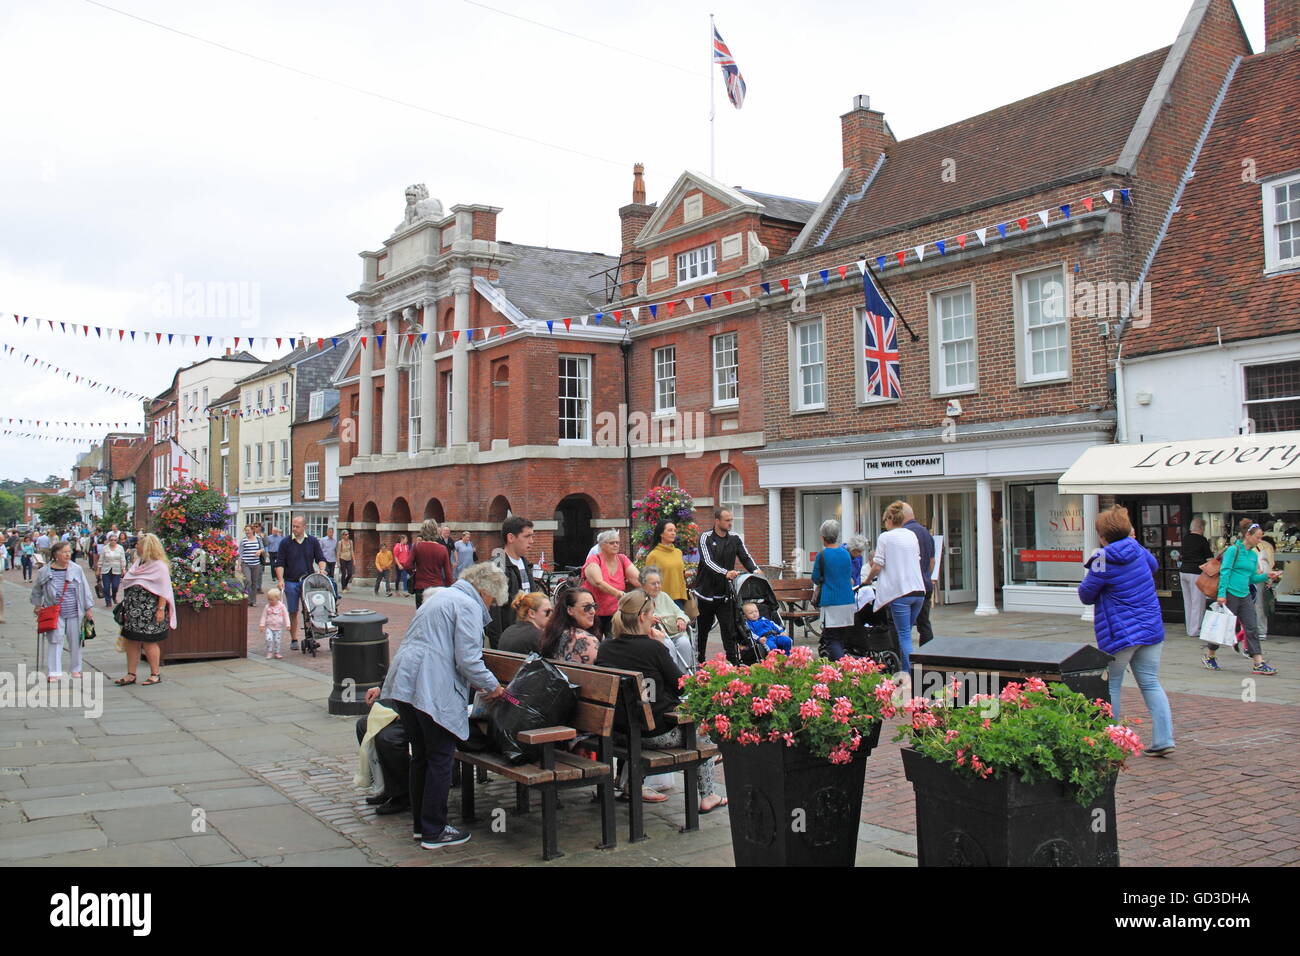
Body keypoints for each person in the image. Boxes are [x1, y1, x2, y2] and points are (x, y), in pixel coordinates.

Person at [379, 561, 506, 849]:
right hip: (430, 684)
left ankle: (422, 826)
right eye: (493, 599)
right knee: (439, 756)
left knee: (421, 755)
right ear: (486, 590)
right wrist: (493, 686)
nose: (492, 606)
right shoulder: (468, 605)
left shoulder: (443, 597)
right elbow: (468, 659)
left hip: (406, 681)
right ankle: (435, 829)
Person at [596, 589, 726, 813]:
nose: (654, 618)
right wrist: (665, 643)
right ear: (641, 618)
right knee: (700, 726)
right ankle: (709, 794)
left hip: (617, 730)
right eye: (652, 614)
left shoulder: (606, 647)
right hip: (653, 735)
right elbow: (682, 684)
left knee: (635, 713)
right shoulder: (653, 648)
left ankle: (627, 784)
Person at [1078, 505, 1176, 755]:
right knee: (1152, 683)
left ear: (1102, 535)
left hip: (1120, 633)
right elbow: (1153, 565)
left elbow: (1086, 595)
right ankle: (1164, 739)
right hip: (1151, 628)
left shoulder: (1101, 558)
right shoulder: (1138, 550)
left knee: (1111, 685)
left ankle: (1112, 739)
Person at [862, 501, 927, 679]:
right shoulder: (911, 535)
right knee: (906, 633)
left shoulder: (886, 537)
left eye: (885, 520)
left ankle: (908, 673)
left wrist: (867, 580)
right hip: (918, 592)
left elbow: (877, 565)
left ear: (889, 519)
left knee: (904, 635)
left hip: (901, 593)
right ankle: (910, 670)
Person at [1213, 522, 1281, 675]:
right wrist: (1221, 594)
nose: (1260, 540)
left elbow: (1251, 578)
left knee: (1252, 627)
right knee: (1223, 628)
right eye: (1257, 537)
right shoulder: (1233, 550)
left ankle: (1258, 662)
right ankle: (1210, 655)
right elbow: (1225, 572)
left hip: (1245, 595)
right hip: (1230, 594)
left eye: (1261, 537)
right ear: (1247, 535)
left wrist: (1266, 575)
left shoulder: (1252, 555)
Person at [692, 507, 758, 664]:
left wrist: (756, 570)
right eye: (727, 520)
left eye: (731, 520)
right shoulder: (705, 537)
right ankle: (700, 661)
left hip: (725, 593)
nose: (730, 523)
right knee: (703, 630)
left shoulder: (734, 538)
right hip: (706, 593)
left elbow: (745, 556)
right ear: (717, 521)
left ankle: (734, 661)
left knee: (729, 629)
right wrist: (725, 572)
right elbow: (707, 562)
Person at [113, 533, 176, 686]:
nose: (136, 546)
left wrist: (161, 609)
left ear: (147, 547)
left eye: (139, 544)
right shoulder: (139, 562)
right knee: (131, 641)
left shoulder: (159, 565)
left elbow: (164, 589)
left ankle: (155, 674)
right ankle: (131, 674)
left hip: (150, 610)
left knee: (149, 642)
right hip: (133, 610)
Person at [29, 540, 93, 680]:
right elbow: (37, 590)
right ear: (55, 554)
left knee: (75, 641)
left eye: (69, 551)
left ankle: (76, 669)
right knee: (55, 640)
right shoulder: (44, 571)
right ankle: (54, 672)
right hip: (54, 611)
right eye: (64, 552)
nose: (68, 554)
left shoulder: (76, 569)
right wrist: (37, 605)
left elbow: (85, 589)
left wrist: (88, 608)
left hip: (75, 610)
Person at [485, 516, 540, 648]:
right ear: (511, 538)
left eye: (532, 536)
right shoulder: (497, 567)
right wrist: (500, 647)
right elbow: (494, 615)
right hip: (508, 640)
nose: (531, 541)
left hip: (528, 636)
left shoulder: (525, 564)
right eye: (527, 536)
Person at [274, 515, 327, 650]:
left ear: (305, 527)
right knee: (293, 611)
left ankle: (311, 637)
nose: (294, 529)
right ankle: (294, 639)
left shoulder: (313, 541)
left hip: (308, 581)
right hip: (291, 581)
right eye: (293, 526)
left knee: (310, 610)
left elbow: (320, 558)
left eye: (297, 526)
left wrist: (321, 569)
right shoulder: (285, 542)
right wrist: (280, 580)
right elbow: (279, 563)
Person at [357, 686, 410, 815]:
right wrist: (381, 688)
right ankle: (387, 786)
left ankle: (403, 794)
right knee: (363, 725)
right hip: (403, 703)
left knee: (387, 738)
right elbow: (397, 672)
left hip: (419, 708)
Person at [583, 530, 640, 639]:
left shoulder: (622, 559)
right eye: (611, 543)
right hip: (593, 612)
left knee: (614, 641)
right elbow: (598, 582)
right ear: (601, 545)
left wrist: (650, 587)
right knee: (594, 641)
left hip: (614, 611)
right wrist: (618, 593)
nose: (615, 545)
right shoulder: (594, 559)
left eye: (617, 542)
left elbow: (637, 579)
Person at [812, 519, 855, 661]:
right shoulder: (845, 553)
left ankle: (842, 669)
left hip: (831, 601)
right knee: (841, 638)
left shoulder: (822, 555)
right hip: (848, 600)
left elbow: (815, 577)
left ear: (823, 537)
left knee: (831, 639)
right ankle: (839, 667)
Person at [640, 566, 694, 673]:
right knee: (668, 645)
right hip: (655, 635)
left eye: (659, 583)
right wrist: (649, 619)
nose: (657, 586)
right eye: (653, 584)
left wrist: (681, 619)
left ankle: (684, 677)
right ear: (644, 585)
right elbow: (636, 619)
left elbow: (679, 612)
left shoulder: (663, 596)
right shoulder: (639, 598)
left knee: (684, 643)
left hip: (674, 632)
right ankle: (672, 677)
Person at [901, 503, 937, 646]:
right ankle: (929, 655)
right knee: (924, 623)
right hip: (925, 585)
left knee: (903, 628)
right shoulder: (926, 533)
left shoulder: (904, 533)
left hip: (908, 587)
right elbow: (932, 561)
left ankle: (905, 658)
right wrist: (926, 575)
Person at [1178, 516, 1214, 657]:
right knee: (1198, 602)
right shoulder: (1202, 540)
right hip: (1196, 573)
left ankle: (1189, 628)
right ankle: (1195, 629)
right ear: (1201, 528)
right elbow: (1209, 559)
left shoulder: (1185, 539)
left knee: (1188, 601)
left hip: (1183, 572)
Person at [539, 587, 602, 664]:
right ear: (570, 610)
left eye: (594, 606)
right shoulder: (587, 640)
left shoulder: (554, 634)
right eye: (586, 607)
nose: (593, 611)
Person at [406, 520, 454, 608]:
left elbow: (408, 565)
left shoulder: (417, 546)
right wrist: (449, 588)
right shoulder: (442, 549)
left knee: (421, 615)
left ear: (423, 531)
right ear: (436, 531)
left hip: (421, 586)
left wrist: (414, 573)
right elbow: (448, 573)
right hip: (437, 587)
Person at [643, 520, 688, 607]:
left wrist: (686, 574)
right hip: (662, 601)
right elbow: (647, 580)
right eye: (670, 530)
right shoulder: (653, 555)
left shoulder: (678, 552)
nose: (673, 533)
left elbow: (678, 573)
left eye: (675, 531)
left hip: (680, 599)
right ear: (661, 534)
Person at [238, 525, 266, 606]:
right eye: (246, 530)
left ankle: (253, 601)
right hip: (245, 564)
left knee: (254, 582)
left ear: (252, 530)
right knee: (248, 581)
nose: (247, 532)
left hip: (256, 564)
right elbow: (240, 553)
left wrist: (259, 551)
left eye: (248, 530)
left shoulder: (258, 539)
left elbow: (263, 548)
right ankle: (246, 599)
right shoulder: (243, 541)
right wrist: (239, 565)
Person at [98, 532, 127, 608]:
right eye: (111, 540)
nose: (113, 541)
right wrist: (98, 569)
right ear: (109, 540)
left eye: (114, 540)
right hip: (106, 569)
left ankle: (114, 596)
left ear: (116, 540)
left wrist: (123, 568)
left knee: (115, 586)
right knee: (106, 587)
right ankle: (108, 601)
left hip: (116, 569)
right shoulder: (105, 548)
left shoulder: (120, 548)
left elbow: (122, 559)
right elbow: (101, 559)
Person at [261, 586, 290, 659]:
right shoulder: (267, 607)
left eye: (272, 600)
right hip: (269, 626)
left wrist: (288, 624)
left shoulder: (282, 606)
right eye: (269, 599)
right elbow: (264, 616)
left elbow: (286, 615)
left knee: (277, 640)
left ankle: (277, 652)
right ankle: (269, 651)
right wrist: (262, 625)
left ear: (277, 599)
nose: (270, 601)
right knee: (269, 639)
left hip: (278, 627)